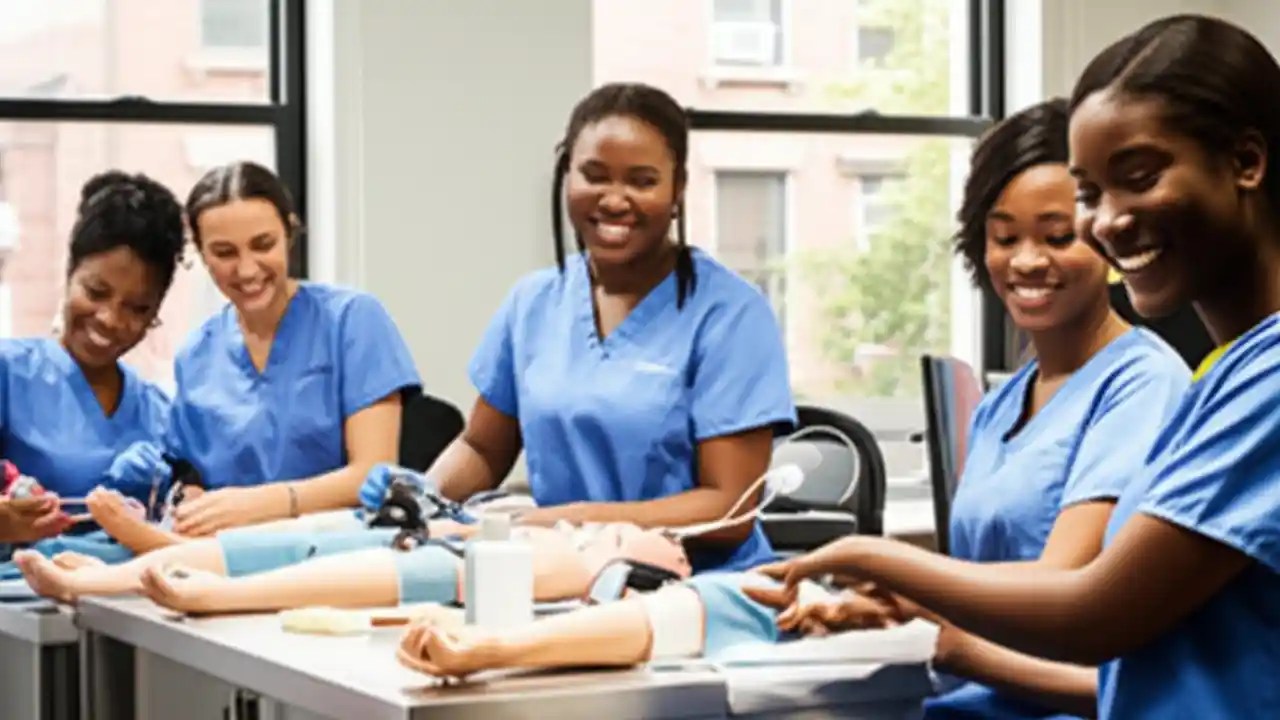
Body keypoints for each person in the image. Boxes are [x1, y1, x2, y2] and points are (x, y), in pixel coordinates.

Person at [387, 99, 1193, 715]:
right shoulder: (1007, 400)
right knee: (726, 608)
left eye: (1057, 235)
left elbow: (1052, 602)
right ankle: (489, 646)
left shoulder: (1140, 384)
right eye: (1003, 233)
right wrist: (876, 604)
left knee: (714, 603)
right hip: (948, 686)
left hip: (1013, 696)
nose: (1026, 261)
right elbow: (969, 586)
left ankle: (488, 647)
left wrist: (885, 575)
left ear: (1107, 233)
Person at [743, 15, 1280, 720]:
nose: (1109, 220)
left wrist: (874, 557)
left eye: (1138, 179)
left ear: (1246, 162)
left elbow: (1095, 611)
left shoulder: (1259, 382)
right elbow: (1138, 661)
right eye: (1090, 193)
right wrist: (910, 600)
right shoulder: (1224, 377)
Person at [408, 83, 795, 572]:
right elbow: (483, 448)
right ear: (566, 175)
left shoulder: (730, 315)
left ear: (677, 191)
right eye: (594, 175)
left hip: (696, 587)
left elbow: (728, 510)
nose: (614, 200)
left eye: (642, 180)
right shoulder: (533, 302)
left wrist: (569, 523)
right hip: (564, 576)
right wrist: (419, 499)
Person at [151, 161, 421, 537]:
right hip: (226, 553)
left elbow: (373, 472)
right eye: (225, 253)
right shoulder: (196, 355)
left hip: (335, 548)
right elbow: (187, 472)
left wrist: (265, 504)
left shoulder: (352, 321)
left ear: (290, 232)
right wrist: (191, 499)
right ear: (201, 253)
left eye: (263, 245)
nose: (246, 270)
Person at [0, 171, 186, 543]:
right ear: (69, 274)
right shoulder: (9, 376)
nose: (110, 320)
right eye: (96, 291)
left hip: (127, 597)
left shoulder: (160, 413)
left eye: (137, 308)